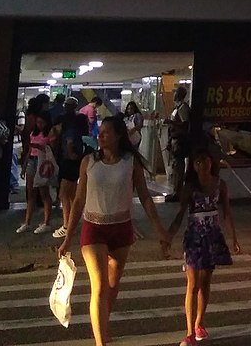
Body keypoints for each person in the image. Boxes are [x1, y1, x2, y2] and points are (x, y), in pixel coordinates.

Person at [57, 115, 170, 346]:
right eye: (100, 132)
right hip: (93, 228)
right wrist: (68, 236)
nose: (100, 136)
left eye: (106, 132)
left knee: (112, 285)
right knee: (98, 286)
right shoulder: (89, 161)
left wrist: (159, 230)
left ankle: (102, 327)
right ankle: (101, 343)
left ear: (119, 135)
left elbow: (146, 198)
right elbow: (78, 201)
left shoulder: (130, 162)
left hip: (121, 228)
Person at [168, 147, 240, 346]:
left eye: (205, 160)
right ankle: (190, 332)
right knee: (192, 283)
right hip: (194, 236)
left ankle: (199, 323)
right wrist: (169, 235)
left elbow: (226, 212)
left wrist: (233, 238)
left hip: (212, 235)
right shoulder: (190, 187)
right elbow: (181, 213)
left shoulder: (220, 185)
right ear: (193, 166)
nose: (203, 164)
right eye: (198, 161)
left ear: (211, 162)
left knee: (206, 281)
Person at [16, 110, 55, 234]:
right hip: (32, 160)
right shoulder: (34, 132)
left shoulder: (50, 132)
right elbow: (29, 149)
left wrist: (38, 147)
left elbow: (52, 148)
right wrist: (24, 166)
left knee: (44, 193)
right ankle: (27, 222)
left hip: (42, 161)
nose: (39, 125)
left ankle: (46, 222)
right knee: (30, 193)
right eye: (38, 122)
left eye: (42, 122)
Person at [53, 111, 90, 239]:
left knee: (63, 194)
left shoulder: (70, 131)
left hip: (69, 164)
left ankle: (67, 225)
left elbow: (69, 144)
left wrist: (69, 154)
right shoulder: (78, 132)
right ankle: (71, 223)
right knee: (72, 195)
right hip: (74, 164)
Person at [165, 87, 192, 202]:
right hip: (175, 139)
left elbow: (185, 124)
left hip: (180, 140)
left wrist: (171, 122)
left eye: (176, 92)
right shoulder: (178, 107)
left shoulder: (182, 108)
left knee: (178, 167)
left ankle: (178, 192)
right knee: (176, 167)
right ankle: (176, 190)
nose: (174, 94)